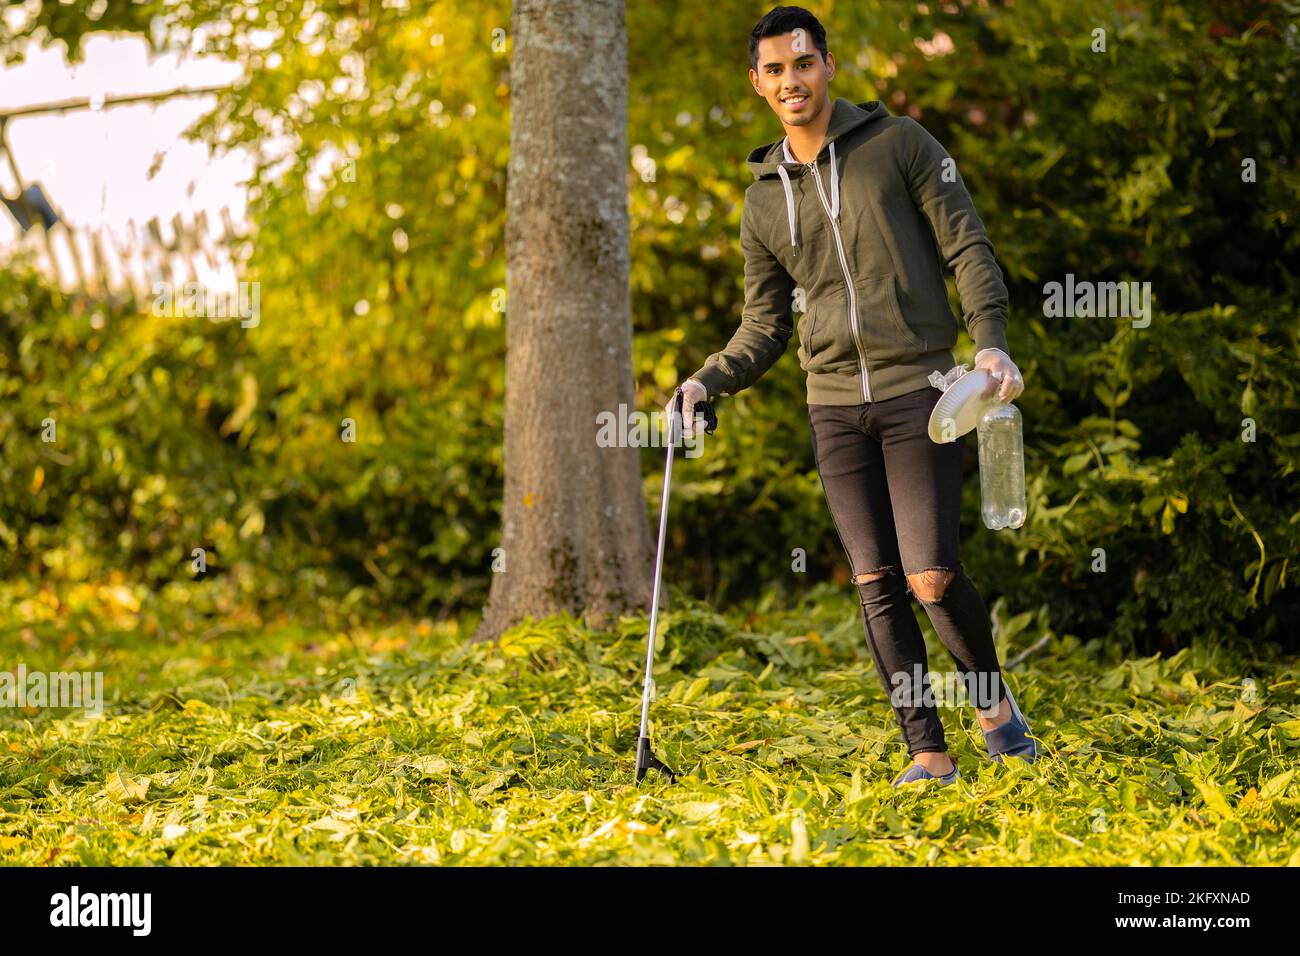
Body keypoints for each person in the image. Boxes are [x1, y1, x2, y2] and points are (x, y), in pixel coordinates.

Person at [671, 5, 1038, 787]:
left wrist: (991, 339)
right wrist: (709, 378)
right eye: (774, 69)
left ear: (828, 66)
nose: (790, 80)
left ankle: (995, 709)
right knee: (876, 585)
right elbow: (764, 325)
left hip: (922, 393)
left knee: (930, 578)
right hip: (833, 405)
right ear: (758, 83)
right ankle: (927, 754)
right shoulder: (763, 200)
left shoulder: (900, 144)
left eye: (802, 63)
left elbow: (966, 245)